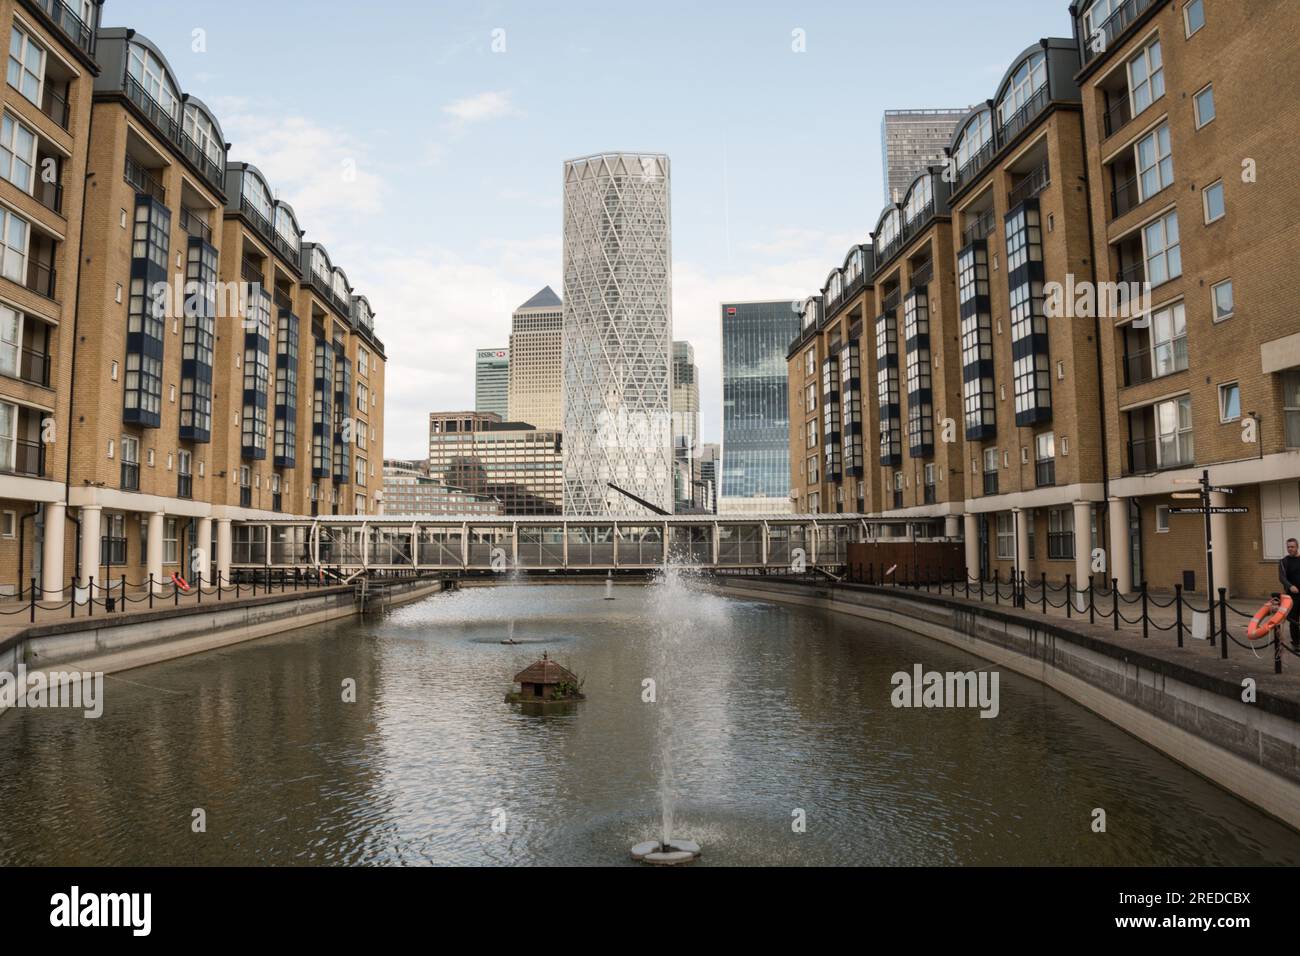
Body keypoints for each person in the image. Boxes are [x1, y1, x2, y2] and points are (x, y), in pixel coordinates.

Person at [1278, 537, 1300, 649]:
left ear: (1297, 547)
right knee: (1293, 619)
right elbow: (1281, 577)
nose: (1290, 549)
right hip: (1292, 596)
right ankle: (1296, 643)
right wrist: (1290, 586)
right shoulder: (1284, 561)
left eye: (1292, 547)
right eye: (1288, 547)